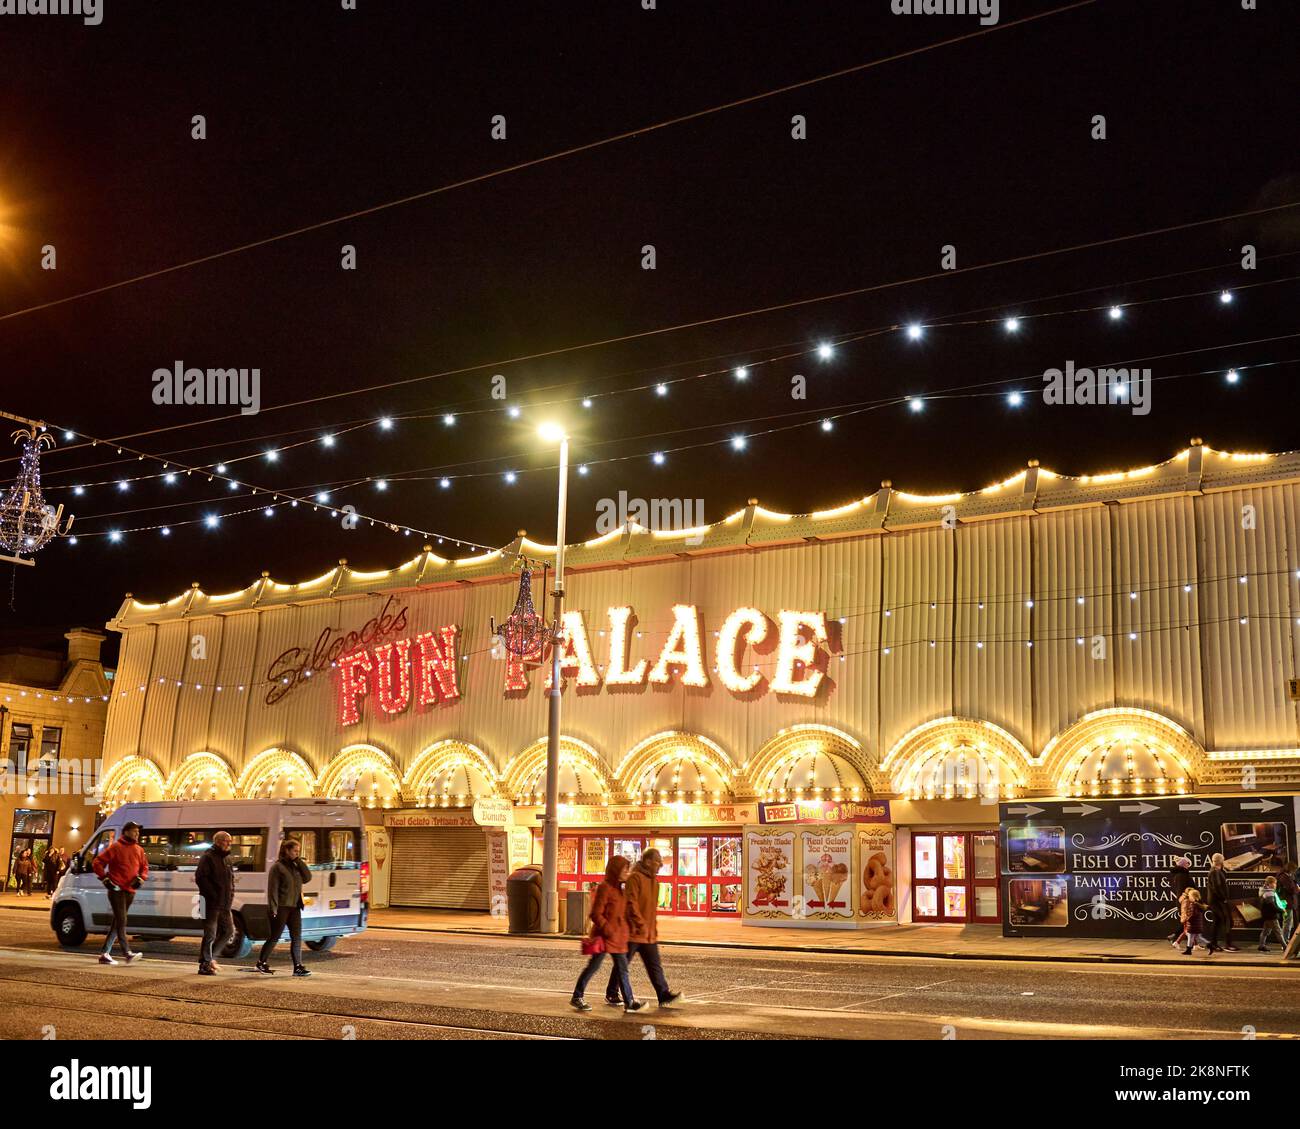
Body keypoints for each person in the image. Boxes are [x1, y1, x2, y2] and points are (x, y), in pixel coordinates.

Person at [604, 848, 681, 1008]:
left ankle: (663, 995)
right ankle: (612, 992)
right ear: (647, 862)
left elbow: (650, 909)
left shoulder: (655, 882)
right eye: (657, 860)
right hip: (632, 932)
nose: (660, 864)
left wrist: (652, 929)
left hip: (648, 934)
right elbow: (631, 904)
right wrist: (640, 924)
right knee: (623, 964)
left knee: (655, 966)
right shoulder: (635, 878)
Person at [571, 856, 642, 1013]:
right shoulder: (605, 888)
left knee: (622, 968)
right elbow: (596, 914)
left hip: (618, 938)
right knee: (593, 967)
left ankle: (629, 1001)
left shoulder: (620, 890)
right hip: (604, 937)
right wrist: (608, 929)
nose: (627, 872)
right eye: (625, 869)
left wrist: (630, 927)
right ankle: (577, 996)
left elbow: (622, 914)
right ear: (616, 870)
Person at [91, 822, 149, 964]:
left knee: (118, 922)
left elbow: (145, 867)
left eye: (138, 831)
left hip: (130, 890)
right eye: (134, 831)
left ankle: (105, 953)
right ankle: (127, 953)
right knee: (122, 920)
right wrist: (105, 879)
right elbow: (97, 862)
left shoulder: (139, 849)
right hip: (117, 890)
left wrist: (141, 878)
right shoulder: (116, 847)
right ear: (126, 832)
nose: (137, 834)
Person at [257, 838, 313, 977]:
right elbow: (273, 890)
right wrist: (273, 908)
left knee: (296, 937)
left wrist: (299, 861)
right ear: (286, 850)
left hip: (295, 906)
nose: (296, 853)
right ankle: (261, 962)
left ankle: (298, 966)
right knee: (275, 936)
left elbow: (307, 877)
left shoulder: (296, 866)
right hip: (281, 907)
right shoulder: (277, 867)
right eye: (294, 851)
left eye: (298, 851)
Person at [196, 831, 236, 975]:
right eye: (226, 841)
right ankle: (205, 964)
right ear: (218, 841)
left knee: (229, 931)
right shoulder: (208, 857)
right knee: (210, 934)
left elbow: (231, 880)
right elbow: (201, 878)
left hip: (225, 904)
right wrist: (213, 895)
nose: (229, 843)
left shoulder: (227, 859)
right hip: (210, 902)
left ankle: (209, 958)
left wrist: (231, 895)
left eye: (230, 841)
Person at [1206, 852, 1237, 954]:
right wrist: (1224, 898)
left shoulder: (1216, 871)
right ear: (1221, 861)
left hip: (1215, 900)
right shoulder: (1215, 872)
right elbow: (1217, 887)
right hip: (1218, 901)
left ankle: (1213, 943)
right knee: (1226, 921)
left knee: (1217, 922)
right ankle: (1227, 944)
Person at [1165, 855, 1195, 944]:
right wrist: (1190, 898)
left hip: (1184, 900)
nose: (1188, 865)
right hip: (1185, 901)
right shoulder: (1182, 875)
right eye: (1186, 864)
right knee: (1188, 922)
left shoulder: (1181, 875)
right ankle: (1176, 938)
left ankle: (1175, 937)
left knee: (1189, 922)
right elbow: (1184, 890)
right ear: (1183, 865)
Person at [1175, 887, 1209, 955]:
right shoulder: (1188, 901)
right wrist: (1186, 918)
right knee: (1190, 934)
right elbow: (1187, 912)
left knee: (1191, 935)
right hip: (1190, 922)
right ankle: (1179, 943)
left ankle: (1190, 948)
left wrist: (1187, 918)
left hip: (1192, 923)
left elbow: (1192, 914)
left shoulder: (1192, 903)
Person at [1258, 876, 1286, 953]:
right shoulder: (1269, 893)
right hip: (1271, 916)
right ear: (1270, 884)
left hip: (1266, 915)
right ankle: (1285, 947)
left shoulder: (1265, 891)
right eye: (1274, 883)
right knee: (1278, 932)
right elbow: (1272, 906)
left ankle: (1261, 945)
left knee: (1265, 931)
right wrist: (1281, 910)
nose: (1275, 885)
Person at [1273, 859, 1297, 942]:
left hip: (1285, 901)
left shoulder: (1283, 876)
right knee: (1287, 923)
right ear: (1291, 869)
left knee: (1288, 922)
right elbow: (1291, 889)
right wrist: (1296, 888)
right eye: (1294, 870)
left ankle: (1285, 940)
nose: (1294, 872)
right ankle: (1285, 941)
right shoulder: (1284, 877)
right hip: (1286, 902)